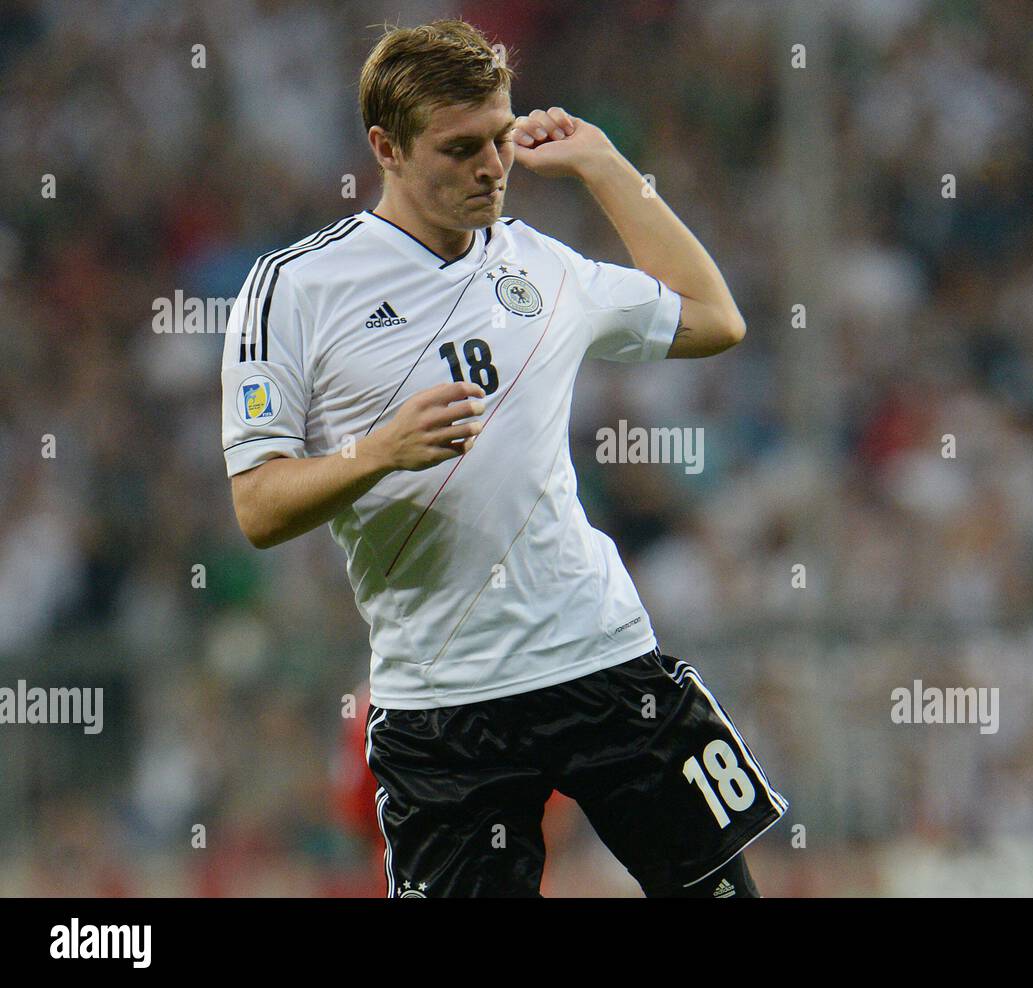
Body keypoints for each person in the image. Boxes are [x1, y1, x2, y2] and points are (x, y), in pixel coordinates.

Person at [220, 19, 786, 897]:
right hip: (442, 702)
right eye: (459, 148)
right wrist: (378, 453)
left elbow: (716, 317)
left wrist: (602, 165)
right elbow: (258, 507)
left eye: (499, 139)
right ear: (387, 148)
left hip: (599, 657)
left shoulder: (544, 267)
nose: (491, 167)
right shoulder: (295, 289)